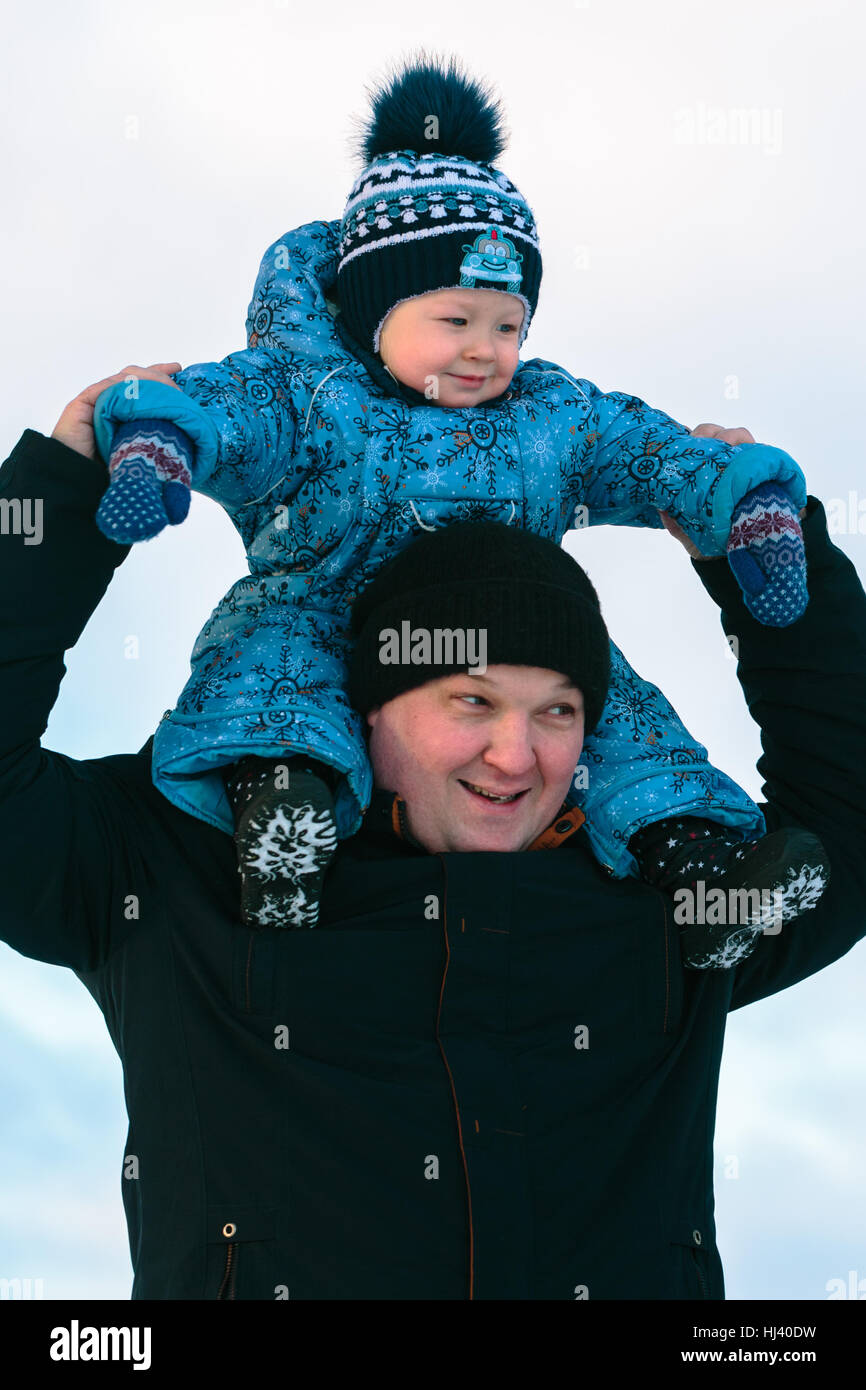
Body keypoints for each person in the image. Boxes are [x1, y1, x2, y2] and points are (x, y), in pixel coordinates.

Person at [0, 372, 863, 1300]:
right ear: (370, 708)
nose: (516, 753)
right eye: (472, 702)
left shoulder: (674, 903)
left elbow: (847, 822)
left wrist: (766, 550)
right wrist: (63, 492)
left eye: (560, 711)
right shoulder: (181, 862)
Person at [85, 51, 822, 940]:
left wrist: (740, 502)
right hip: (324, 605)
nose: (485, 349)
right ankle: (283, 817)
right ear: (373, 313)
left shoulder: (550, 412)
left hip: (513, 635)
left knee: (609, 710)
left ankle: (698, 869)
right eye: (454, 320)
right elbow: (222, 410)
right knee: (271, 671)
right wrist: (157, 443)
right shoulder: (308, 393)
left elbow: (646, 452)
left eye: (508, 325)